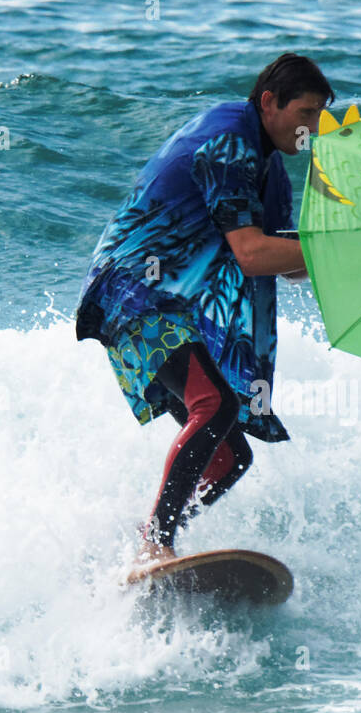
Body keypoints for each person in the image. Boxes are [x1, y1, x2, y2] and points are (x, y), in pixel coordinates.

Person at [74, 53, 333, 580]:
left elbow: (286, 264)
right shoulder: (228, 142)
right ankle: (154, 541)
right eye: (305, 112)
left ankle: (153, 549)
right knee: (213, 406)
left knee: (231, 455)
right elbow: (253, 255)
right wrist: (332, 251)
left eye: (320, 117)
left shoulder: (270, 168)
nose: (313, 129)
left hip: (169, 301)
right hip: (133, 290)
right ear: (269, 102)